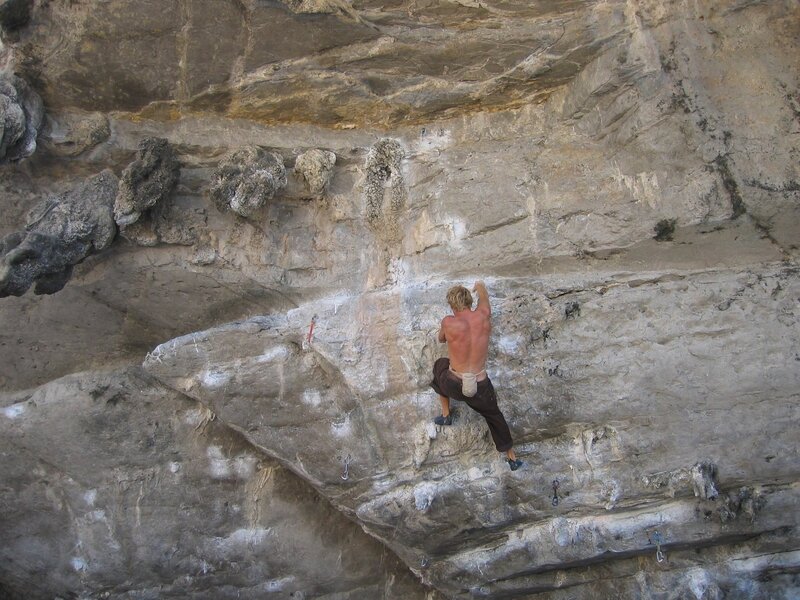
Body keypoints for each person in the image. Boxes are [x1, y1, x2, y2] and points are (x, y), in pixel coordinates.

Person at [430, 281, 523, 471]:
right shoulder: (483, 314)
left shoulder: (449, 322)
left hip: (453, 384)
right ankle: (512, 458)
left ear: (452, 305)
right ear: (470, 302)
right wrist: (479, 286)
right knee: (494, 416)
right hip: (481, 388)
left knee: (440, 365)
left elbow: (441, 339)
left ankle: (446, 415)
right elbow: (484, 296)